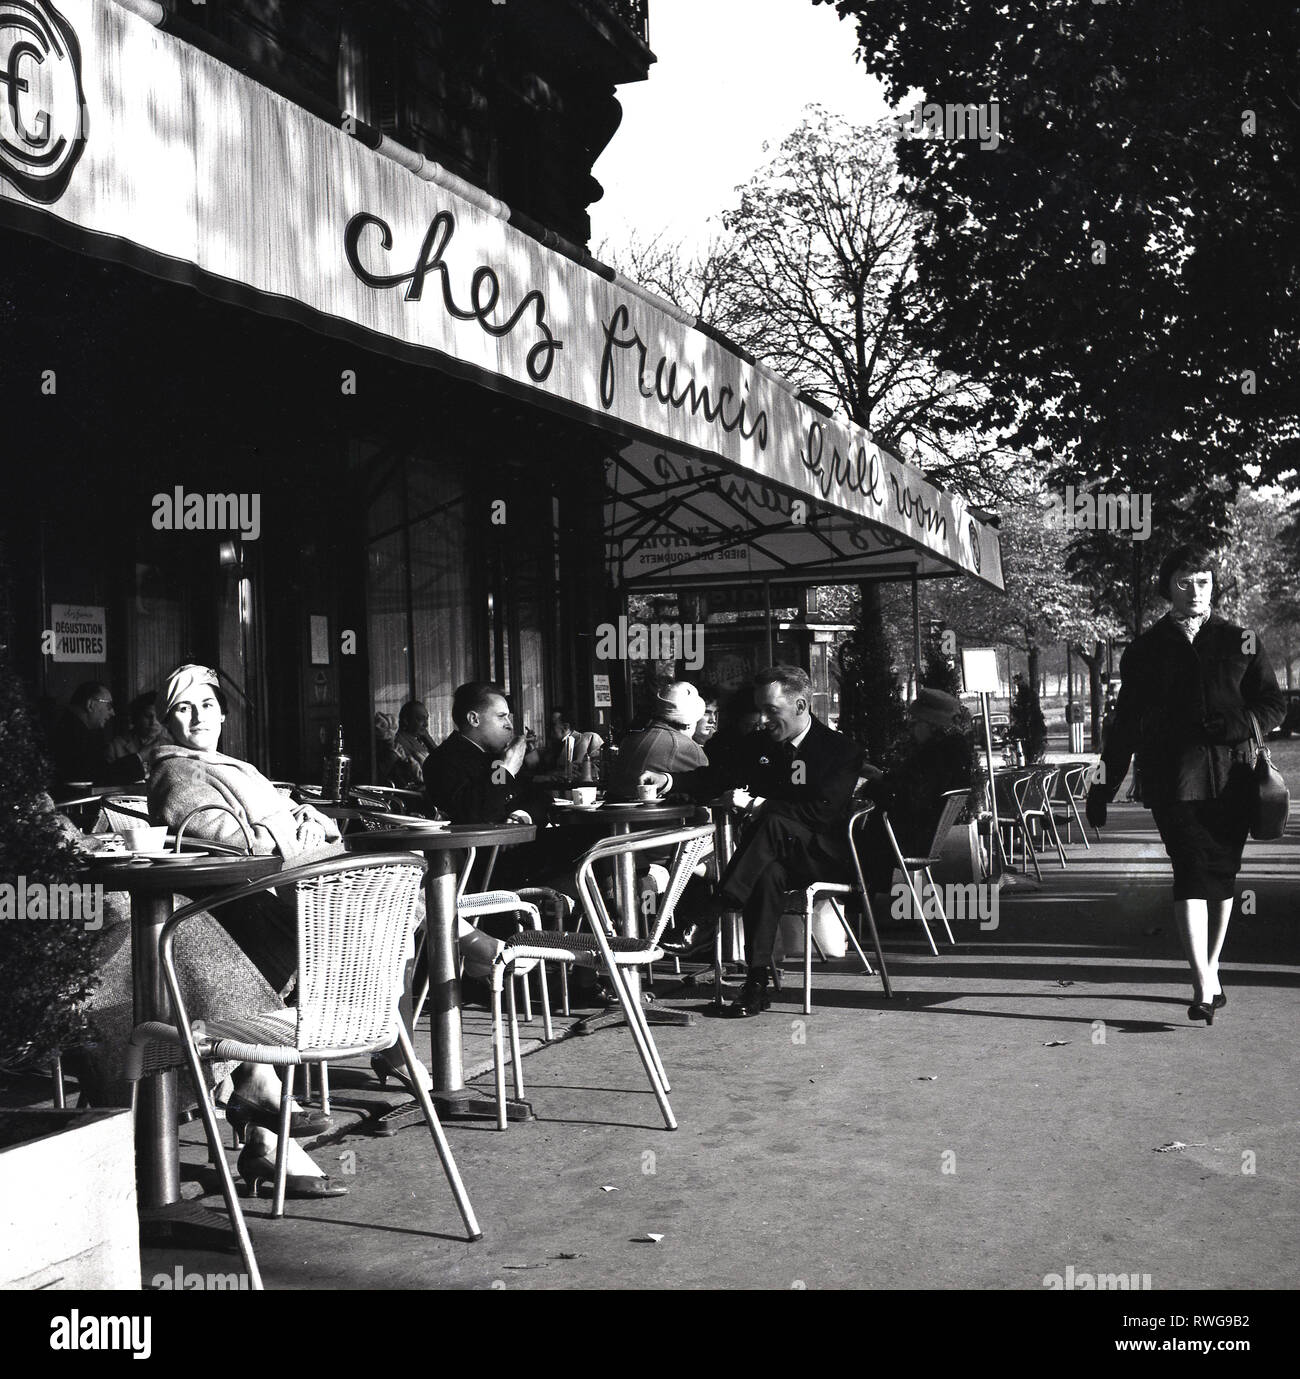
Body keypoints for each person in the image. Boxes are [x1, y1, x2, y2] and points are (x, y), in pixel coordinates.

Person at [144, 665, 349, 1197]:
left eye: (207, 705)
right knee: (272, 957)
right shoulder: (176, 771)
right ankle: (263, 1100)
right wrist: (296, 827)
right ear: (167, 722)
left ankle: (264, 1139)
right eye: (184, 709)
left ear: (223, 712)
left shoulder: (229, 763)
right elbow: (218, 835)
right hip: (234, 910)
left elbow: (282, 819)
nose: (198, 717)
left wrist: (306, 818)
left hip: (261, 904)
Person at [1086, 544, 1285, 1025]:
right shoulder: (1145, 649)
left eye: (1203, 581)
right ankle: (1200, 982)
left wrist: (1238, 724)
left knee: (1221, 877)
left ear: (1213, 585)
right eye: (1184, 581)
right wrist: (1103, 785)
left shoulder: (1243, 641)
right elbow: (1126, 722)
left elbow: (1273, 705)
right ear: (1167, 587)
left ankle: (1212, 969)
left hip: (1233, 779)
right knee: (1191, 871)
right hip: (1172, 780)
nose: (1195, 591)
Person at [668, 665, 862, 1017]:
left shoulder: (840, 750)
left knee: (772, 823)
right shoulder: (761, 745)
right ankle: (756, 984)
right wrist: (668, 783)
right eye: (760, 709)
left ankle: (715, 909)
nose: (763, 718)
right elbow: (716, 775)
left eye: (772, 710)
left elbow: (821, 813)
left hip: (821, 855)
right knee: (766, 873)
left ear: (801, 706)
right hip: (774, 856)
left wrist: (757, 804)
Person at [861, 688, 976, 900]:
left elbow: (911, 796)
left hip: (908, 838)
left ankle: (857, 904)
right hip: (925, 836)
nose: (911, 729)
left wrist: (872, 787)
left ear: (930, 725)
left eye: (914, 722)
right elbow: (915, 785)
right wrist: (882, 776)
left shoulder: (933, 754)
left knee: (850, 836)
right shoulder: (950, 750)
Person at [423, 682, 534, 825]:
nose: (509, 725)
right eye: (501, 716)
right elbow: (474, 815)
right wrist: (505, 770)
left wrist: (520, 816)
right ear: (474, 719)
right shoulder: (441, 761)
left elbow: (537, 797)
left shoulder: (496, 755)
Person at [609, 681, 710, 800]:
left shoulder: (629, 740)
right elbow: (708, 786)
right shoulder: (687, 747)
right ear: (688, 724)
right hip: (655, 817)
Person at [49, 682, 141, 787]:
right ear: (90, 705)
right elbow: (98, 777)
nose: (112, 712)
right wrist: (140, 757)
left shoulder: (76, 727)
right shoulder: (71, 734)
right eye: (109, 705)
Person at [532, 707, 603, 782]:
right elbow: (537, 768)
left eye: (552, 725)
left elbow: (597, 772)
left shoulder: (589, 739)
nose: (548, 728)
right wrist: (531, 747)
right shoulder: (552, 747)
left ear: (565, 727)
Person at [106, 690, 170, 773]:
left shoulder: (172, 743)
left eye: (158, 716)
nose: (153, 722)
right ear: (136, 717)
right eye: (147, 716)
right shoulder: (116, 746)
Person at [394, 700, 438, 773]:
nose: (426, 724)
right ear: (406, 720)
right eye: (421, 719)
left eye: (426, 719)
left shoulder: (419, 739)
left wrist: (427, 739)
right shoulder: (399, 742)